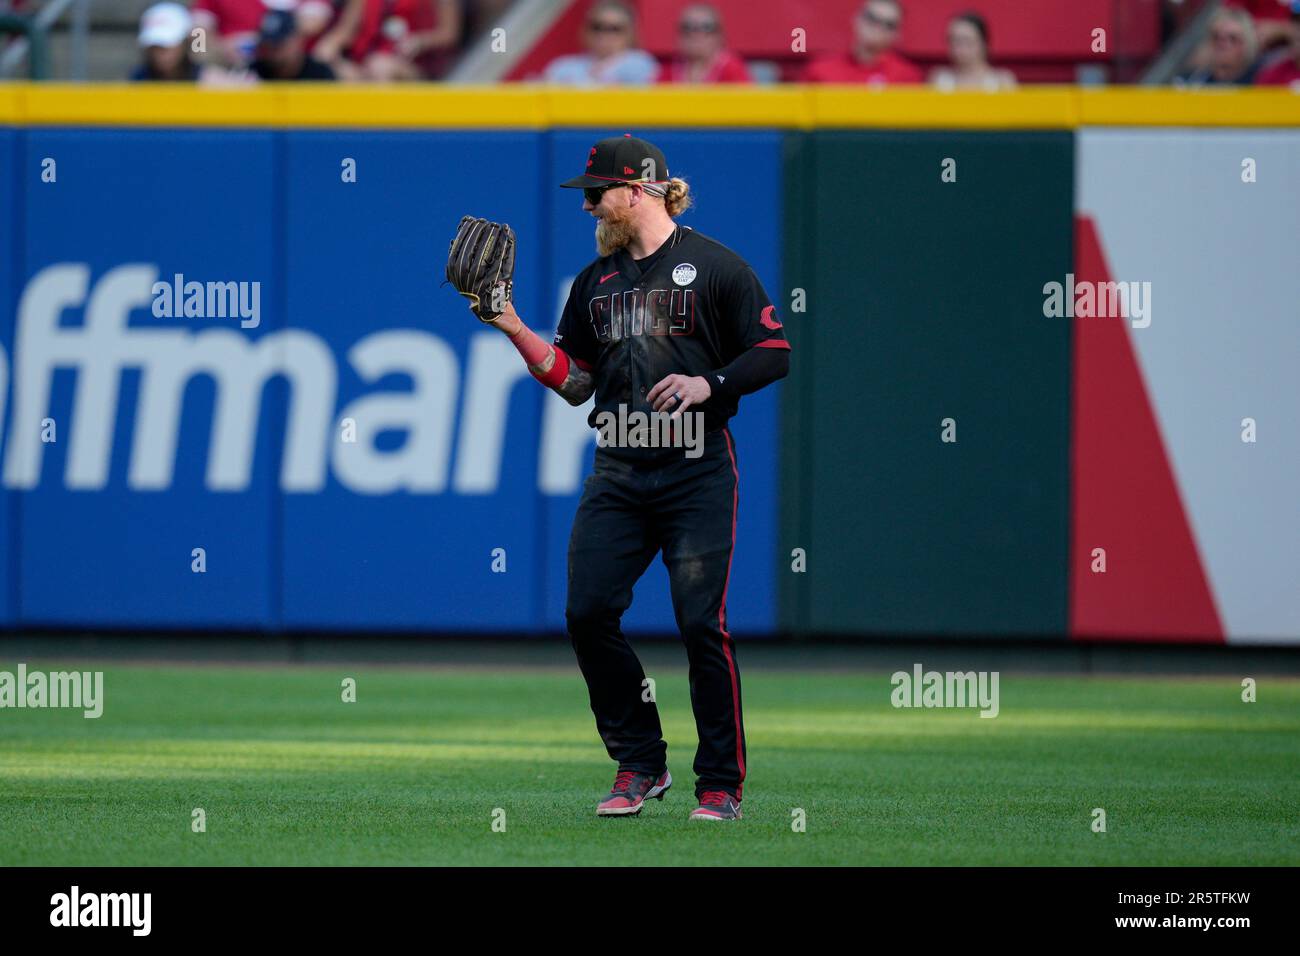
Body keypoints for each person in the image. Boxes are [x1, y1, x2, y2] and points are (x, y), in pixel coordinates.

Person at [448, 135, 791, 821]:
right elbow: (574, 381)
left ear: (638, 191)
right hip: (620, 467)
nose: (589, 206)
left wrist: (708, 381)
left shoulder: (715, 267)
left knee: (701, 625)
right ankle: (640, 762)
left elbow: (775, 351)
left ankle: (720, 784)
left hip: (697, 468)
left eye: (597, 193)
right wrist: (511, 324)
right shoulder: (595, 282)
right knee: (587, 612)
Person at [803, 0, 922, 84]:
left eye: (888, 24)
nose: (878, 27)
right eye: (871, 17)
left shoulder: (907, 78)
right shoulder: (820, 71)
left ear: (897, 35)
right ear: (856, 18)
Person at [542, 1, 659, 85]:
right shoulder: (563, 66)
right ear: (586, 30)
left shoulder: (640, 63)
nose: (604, 34)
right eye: (597, 27)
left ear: (630, 34)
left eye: (614, 28)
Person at [349, 0, 463, 81]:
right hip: (369, 61)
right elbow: (348, 32)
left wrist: (420, 41)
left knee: (380, 67)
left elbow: (449, 34)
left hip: (423, 68)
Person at [657, 4, 751, 84]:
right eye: (687, 27)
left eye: (706, 27)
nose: (696, 34)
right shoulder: (668, 71)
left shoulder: (733, 70)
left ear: (720, 35)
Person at [929, 11, 1016, 91]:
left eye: (967, 40)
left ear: (984, 43)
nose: (959, 47)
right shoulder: (939, 79)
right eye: (954, 40)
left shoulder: (1002, 80)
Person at [250, 8, 336, 80]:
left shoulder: (320, 74)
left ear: (297, 39)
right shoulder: (254, 73)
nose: (272, 49)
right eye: (267, 43)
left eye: (279, 43)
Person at [1181, 7, 1260, 85]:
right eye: (1216, 37)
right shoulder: (1190, 82)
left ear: (1248, 44)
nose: (1222, 44)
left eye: (1232, 39)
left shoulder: (1260, 83)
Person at [131, 3, 203, 81]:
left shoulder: (207, 81)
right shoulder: (137, 79)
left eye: (166, 46)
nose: (158, 53)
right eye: (153, 46)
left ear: (185, 42)